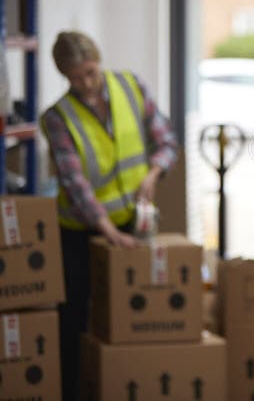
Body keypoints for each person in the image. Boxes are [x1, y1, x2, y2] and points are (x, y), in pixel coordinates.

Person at [40, 31, 177, 401]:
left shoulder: (130, 87)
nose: (84, 83)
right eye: (74, 77)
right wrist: (104, 230)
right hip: (80, 232)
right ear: (64, 76)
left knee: (132, 313)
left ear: (98, 62)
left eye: (89, 72)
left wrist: (152, 174)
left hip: (132, 224)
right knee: (75, 320)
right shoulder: (57, 118)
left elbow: (166, 140)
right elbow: (74, 182)